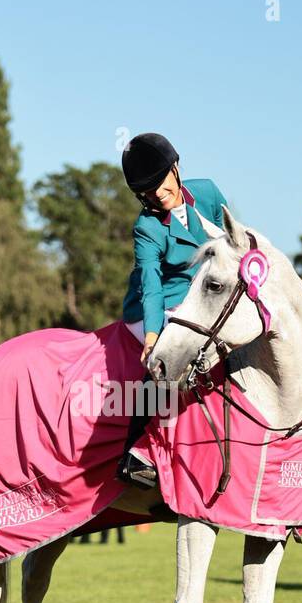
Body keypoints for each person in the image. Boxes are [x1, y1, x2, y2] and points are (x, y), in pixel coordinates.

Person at [116, 132, 228, 487]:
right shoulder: (146, 226)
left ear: (175, 169)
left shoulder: (207, 193)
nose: (156, 195)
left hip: (203, 299)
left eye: (160, 183)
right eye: (146, 192)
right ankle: (140, 450)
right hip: (160, 305)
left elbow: (231, 246)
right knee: (171, 352)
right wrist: (152, 337)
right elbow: (151, 285)